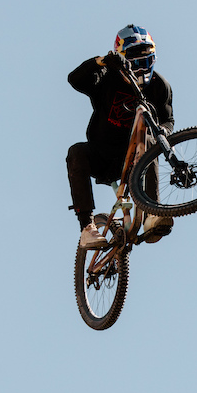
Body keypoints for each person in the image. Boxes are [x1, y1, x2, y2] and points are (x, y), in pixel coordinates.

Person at [67, 25, 175, 249]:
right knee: (76, 152)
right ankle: (87, 228)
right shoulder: (108, 77)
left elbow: (168, 120)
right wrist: (102, 61)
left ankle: (151, 214)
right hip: (102, 154)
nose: (141, 67)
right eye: (135, 61)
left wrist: (163, 131)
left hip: (135, 155)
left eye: (146, 61)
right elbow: (75, 79)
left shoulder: (159, 87)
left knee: (152, 141)